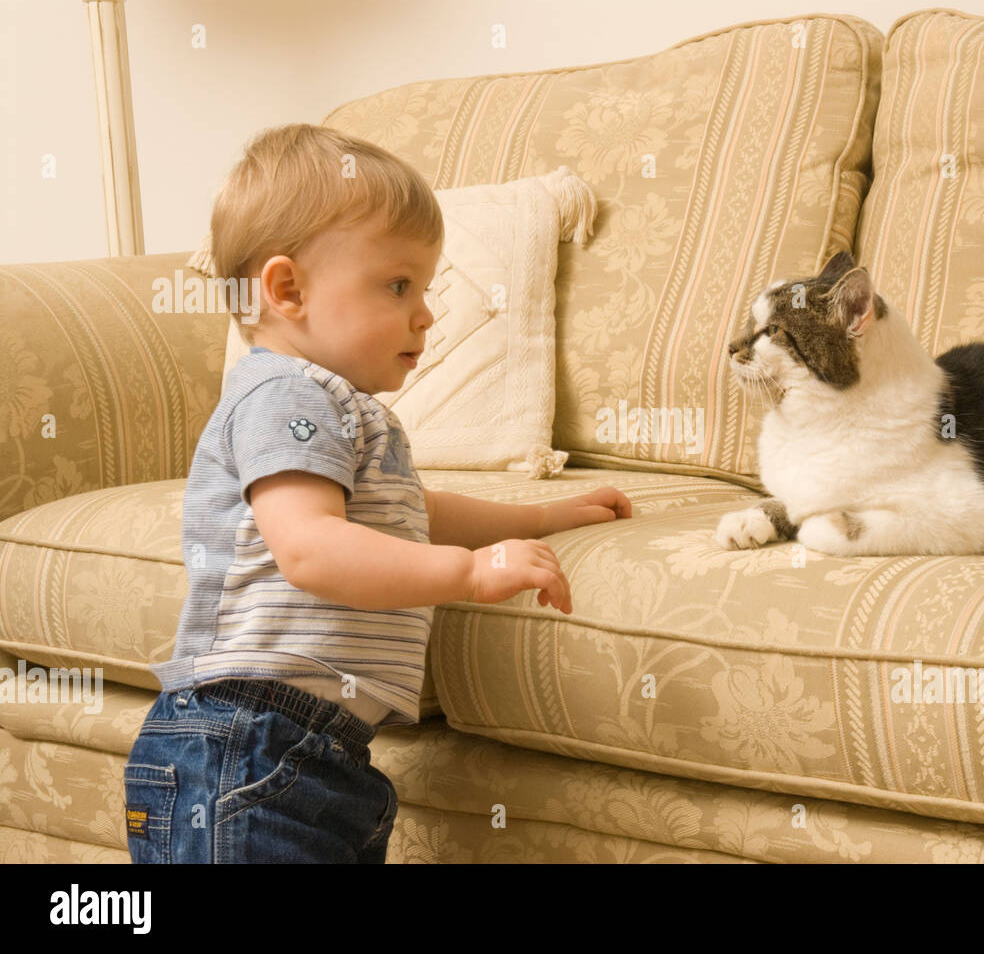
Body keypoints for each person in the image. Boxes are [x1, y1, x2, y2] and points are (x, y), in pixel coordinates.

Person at [123, 123, 631, 863]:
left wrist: (544, 516)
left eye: (425, 288)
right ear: (288, 290)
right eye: (398, 286)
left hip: (311, 750)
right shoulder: (284, 396)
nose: (425, 312)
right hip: (244, 743)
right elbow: (310, 549)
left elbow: (419, 515)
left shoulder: (347, 408)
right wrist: (470, 572)